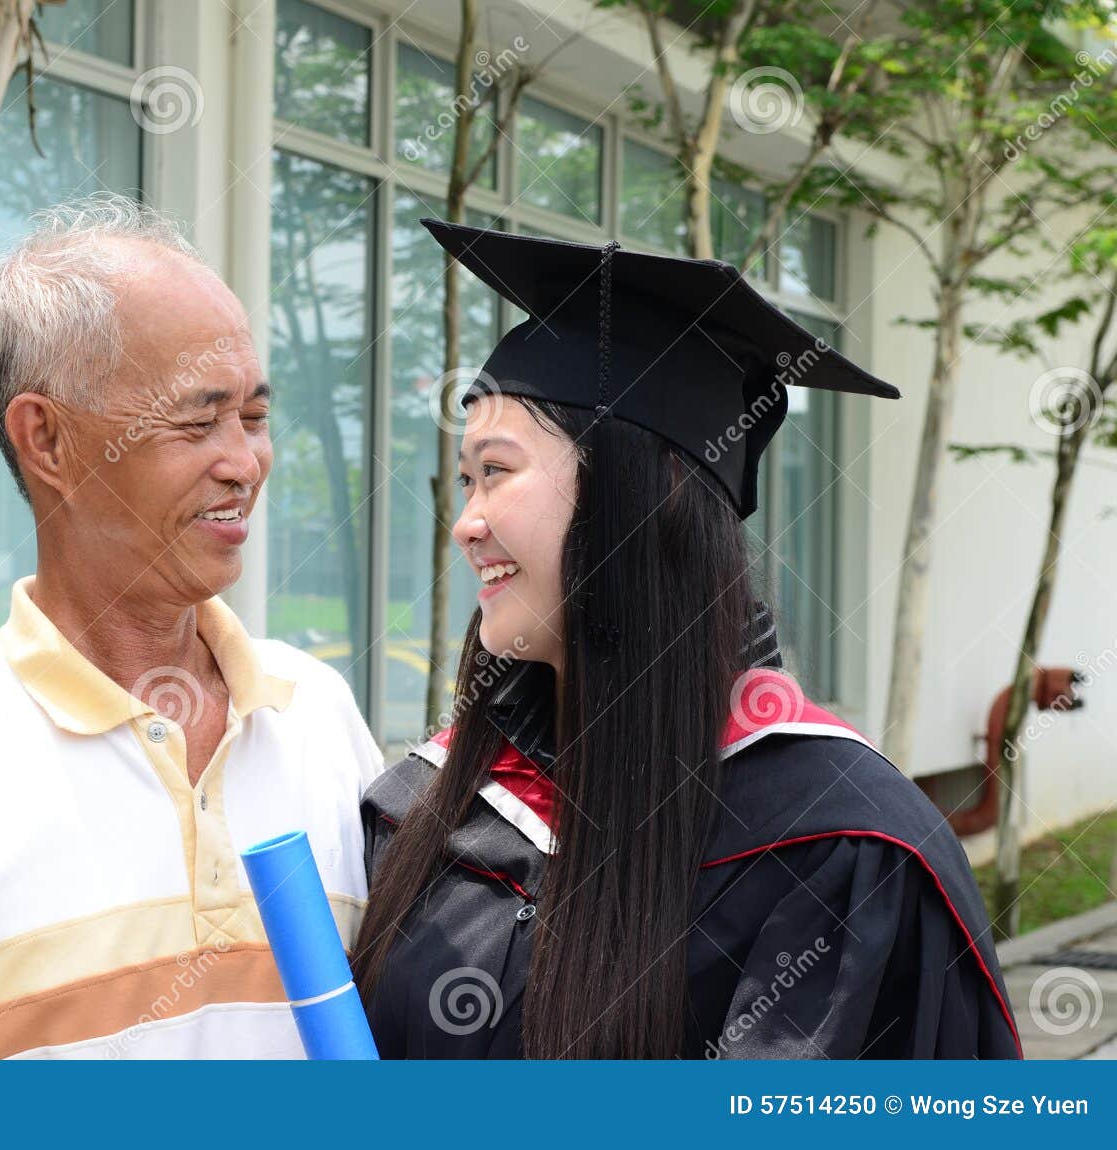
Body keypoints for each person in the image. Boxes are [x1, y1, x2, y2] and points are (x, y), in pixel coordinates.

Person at [353, 220, 1020, 1060]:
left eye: (495, 472)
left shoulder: (841, 846)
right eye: (462, 481)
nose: (465, 523)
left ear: (643, 494)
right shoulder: (422, 811)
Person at [0, 195, 383, 1059]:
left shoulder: (315, 717)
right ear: (46, 440)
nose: (244, 462)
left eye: (254, 416)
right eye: (196, 421)